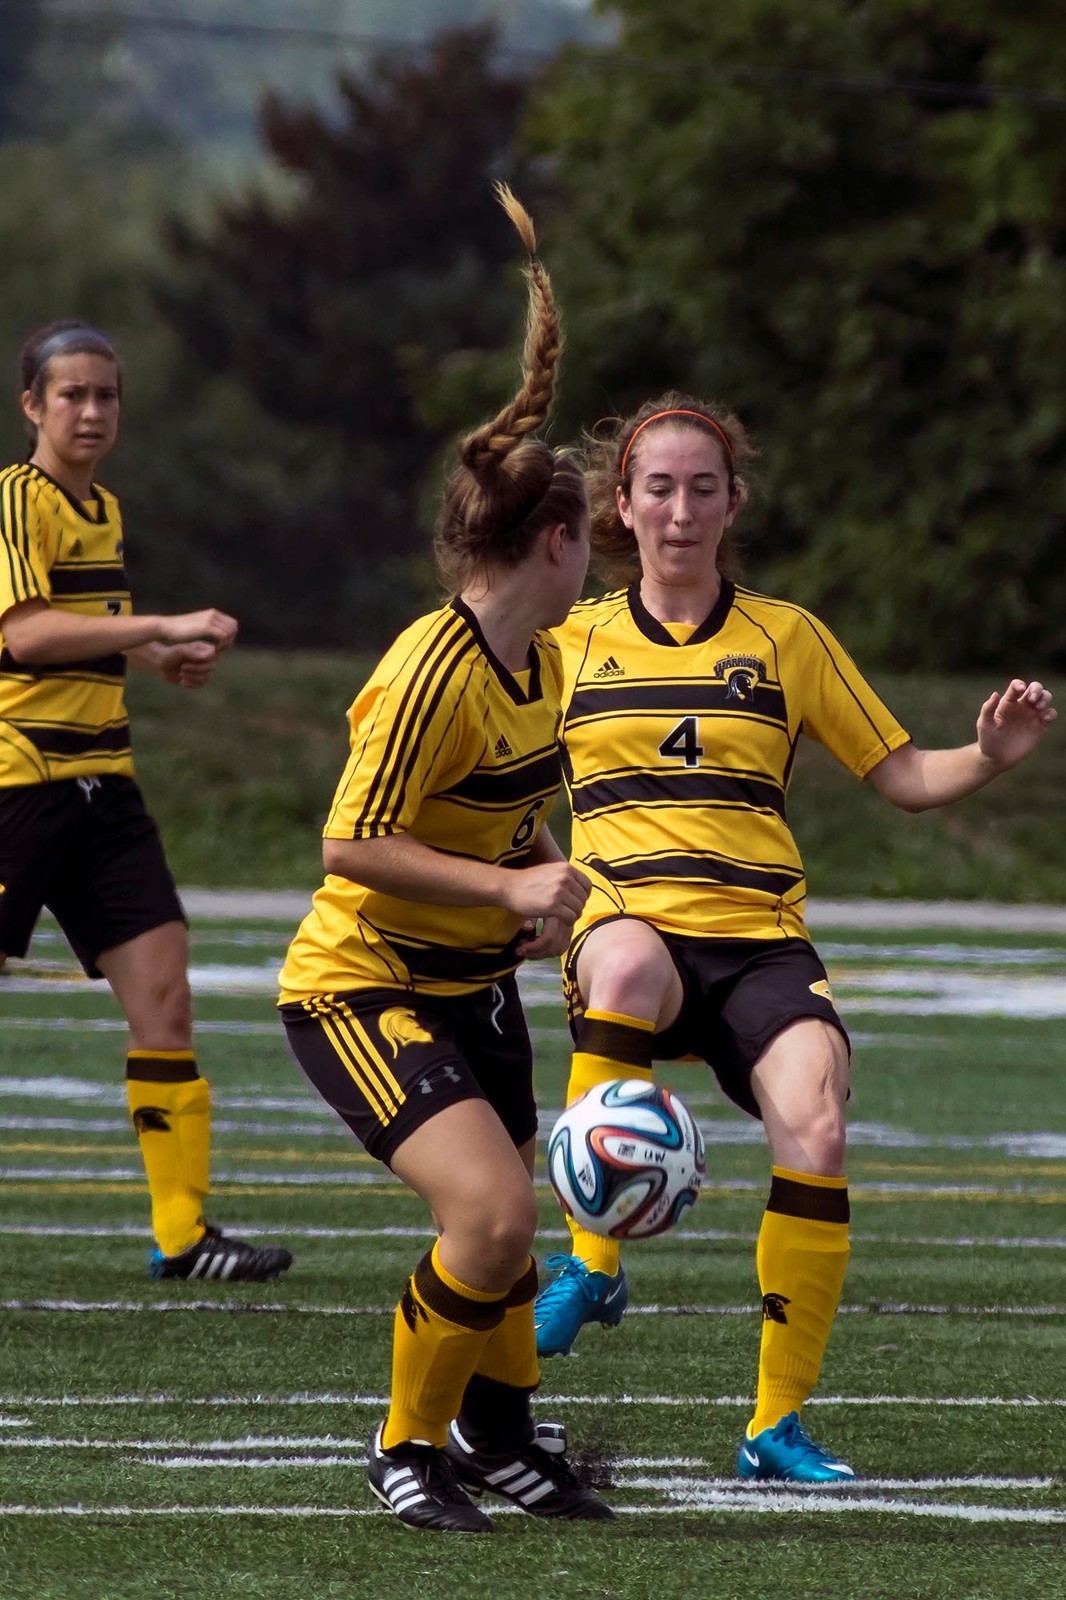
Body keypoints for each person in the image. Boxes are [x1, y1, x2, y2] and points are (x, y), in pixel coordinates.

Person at [533, 393, 1056, 1484]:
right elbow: (490, 776)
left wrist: (990, 756)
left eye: (703, 488)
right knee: (623, 957)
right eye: (659, 489)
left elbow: (901, 774)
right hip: (629, 926)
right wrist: (529, 880)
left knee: (816, 1126)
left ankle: (774, 1425)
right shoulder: (565, 642)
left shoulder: (787, 637)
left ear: (734, 503)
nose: (681, 510)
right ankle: (593, 1263)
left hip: (760, 944)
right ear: (621, 506)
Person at [278, 187, 611, 1533]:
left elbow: (502, 811)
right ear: (553, 542)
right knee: (487, 1214)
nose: (598, 562)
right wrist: (508, 887)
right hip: (361, 986)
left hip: (474, 985)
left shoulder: (539, 661)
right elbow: (350, 841)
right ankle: (406, 1446)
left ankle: (502, 1435)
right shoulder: (434, 665)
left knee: (513, 1221)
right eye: (591, 540)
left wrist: (547, 880)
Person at [0, 318, 293, 1285]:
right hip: (17, 786)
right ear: (32, 405)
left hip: (103, 791)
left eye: (107, 394)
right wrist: (161, 622)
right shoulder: (16, 499)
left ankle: (183, 1235)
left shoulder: (104, 510)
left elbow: (82, 635)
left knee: (165, 994)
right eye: (72, 394)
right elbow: (25, 636)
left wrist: (156, 656)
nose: (92, 410)